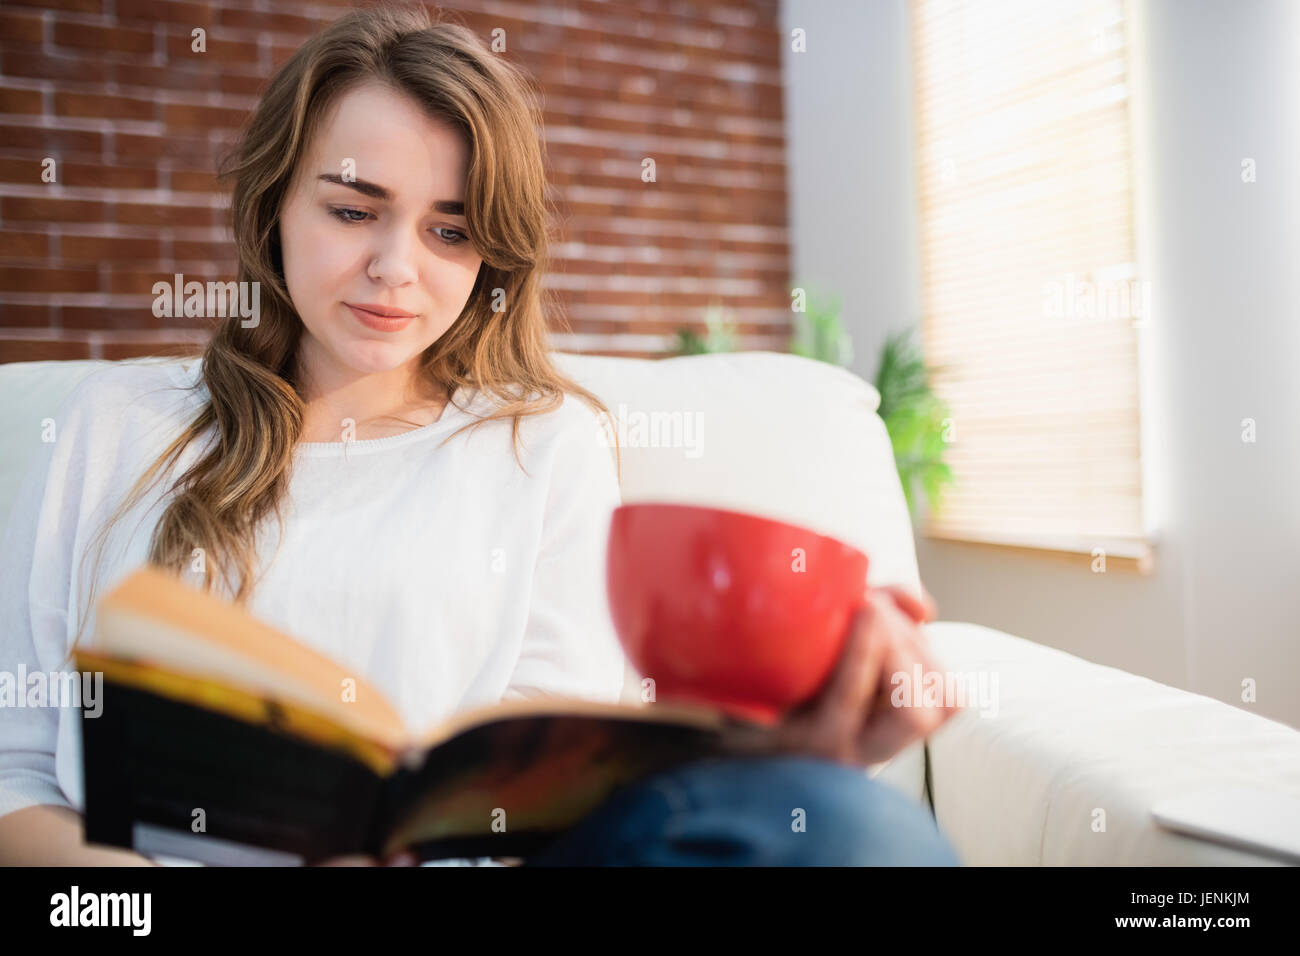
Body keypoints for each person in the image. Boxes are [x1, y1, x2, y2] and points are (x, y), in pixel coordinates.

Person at [0, 4, 961, 867]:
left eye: (449, 233)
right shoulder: (112, 427)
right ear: (274, 206)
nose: (393, 269)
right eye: (351, 210)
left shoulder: (545, 445)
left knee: (846, 822)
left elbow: (562, 792)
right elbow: (14, 773)